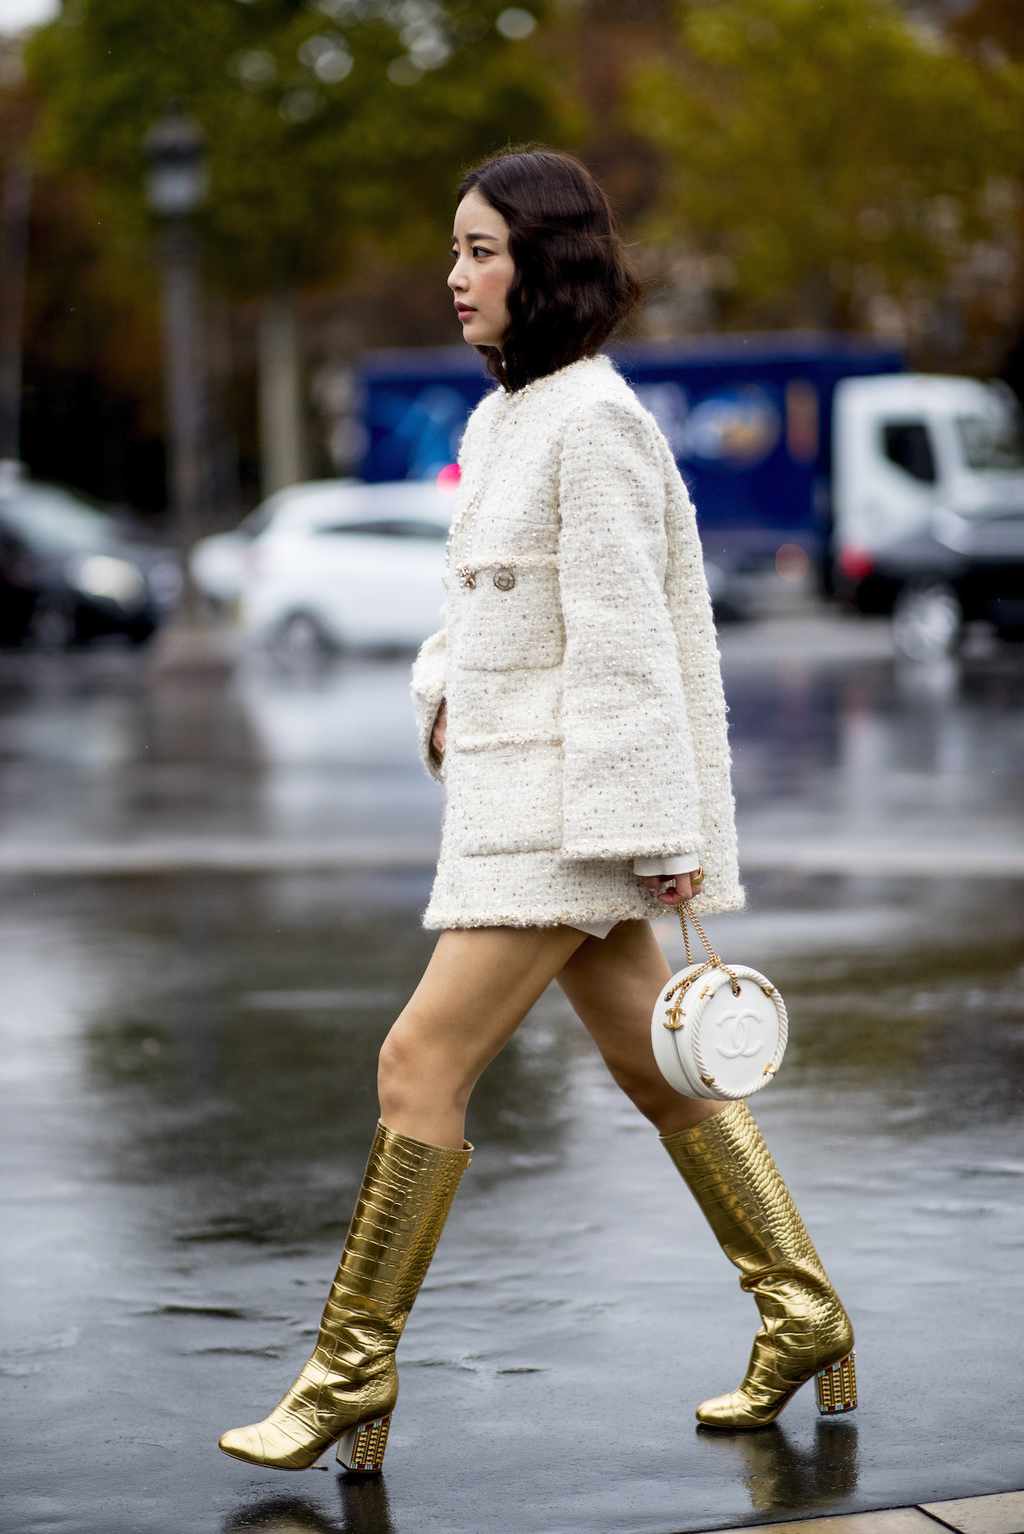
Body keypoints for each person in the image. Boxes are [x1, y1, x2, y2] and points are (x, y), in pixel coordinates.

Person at [218, 147, 855, 1476]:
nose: (455, 279)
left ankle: (349, 1371)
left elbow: (629, 646)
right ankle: (803, 1314)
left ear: (545, 263)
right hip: (523, 800)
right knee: (656, 1073)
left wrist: (660, 838)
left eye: (480, 251)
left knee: (416, 1064)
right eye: (455, 252)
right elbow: (490, 609)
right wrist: (446, 681)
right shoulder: (507, 417)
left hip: (572, 818)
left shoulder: (595, 422)